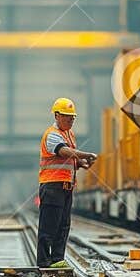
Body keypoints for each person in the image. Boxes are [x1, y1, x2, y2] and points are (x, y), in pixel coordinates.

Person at [36, 97, 96, 268]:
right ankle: (43, 262)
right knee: (49, 226)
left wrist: (83, 164)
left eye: (72, 117)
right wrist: (86, 155)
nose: (71, 120)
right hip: (52, 186)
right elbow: (64, 152)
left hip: (66, 187)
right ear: (57, 116)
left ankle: (57, 259)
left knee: (63, 226)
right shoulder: (52, 135)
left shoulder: (69, 134)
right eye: (67, 116)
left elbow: (71, 160)